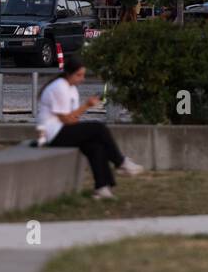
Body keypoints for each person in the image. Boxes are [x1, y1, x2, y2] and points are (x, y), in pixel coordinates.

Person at [37, 58, 143, 199]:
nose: (82, 79)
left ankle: (102, 187)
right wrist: (86, 106)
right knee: (98, 128)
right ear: (69, 74)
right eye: (79, 75)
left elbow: (73, 118)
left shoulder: (72, 89)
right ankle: (121, 162)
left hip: (63, 130)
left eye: (83, 75)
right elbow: (67, 119)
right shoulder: (59, 87)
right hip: (52, 134)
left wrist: (80, 114)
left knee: (96, 146)